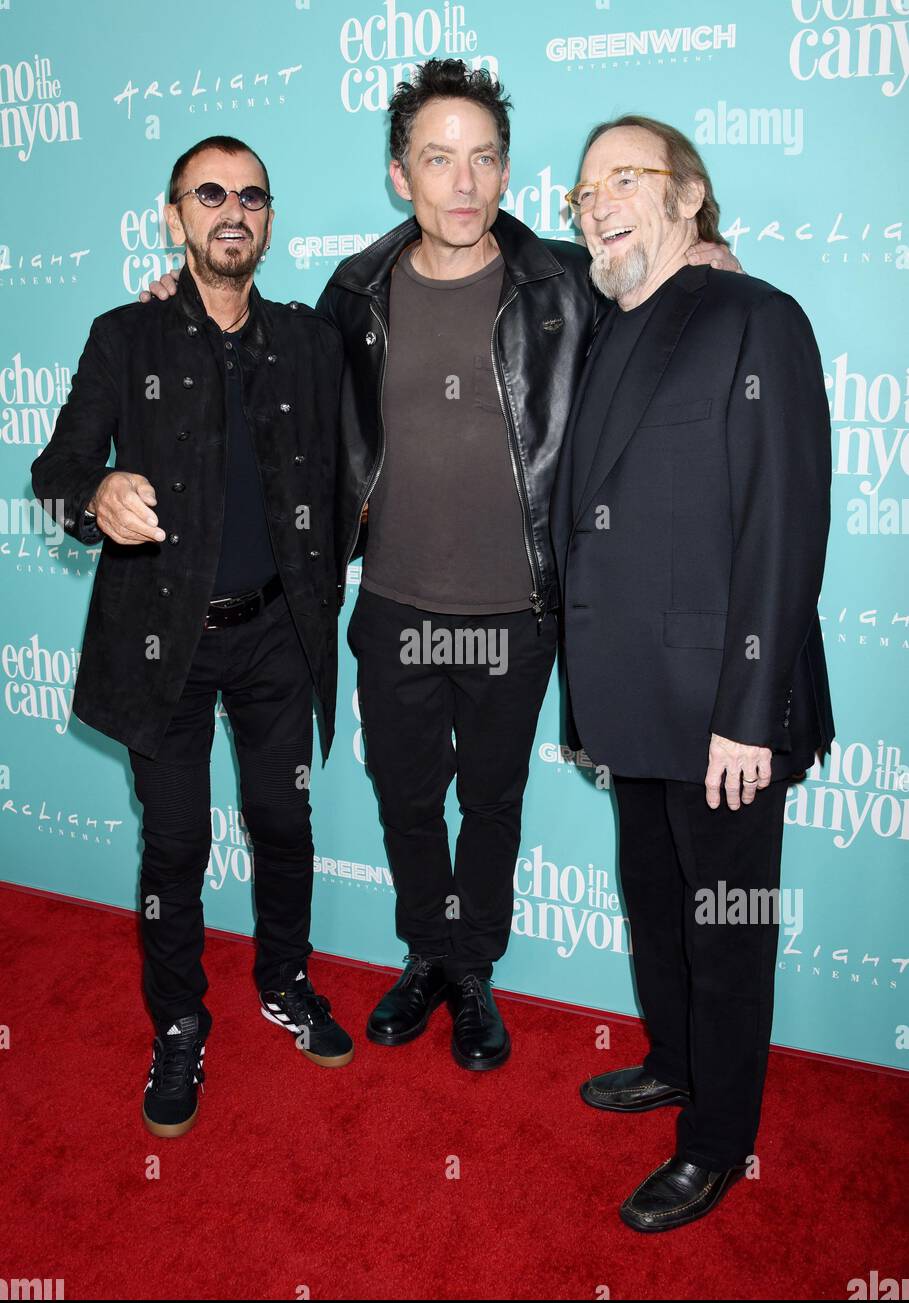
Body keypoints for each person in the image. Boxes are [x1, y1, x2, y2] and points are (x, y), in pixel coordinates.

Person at [141, 64, 739, 1074]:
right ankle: (428, 951)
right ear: (398, 173)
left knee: (493, 806)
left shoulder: (567, 284)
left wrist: (706, 259)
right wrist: (175, 300)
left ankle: (473, 971)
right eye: (438, 158)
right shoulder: (352, 296)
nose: (464, 183)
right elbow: (255, 348)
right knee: (410, 802)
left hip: (520, 613)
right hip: (396, 609)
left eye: (485, 158)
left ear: (505, 170)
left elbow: (658, 289)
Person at [31, 135, 350, 1140]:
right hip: (160, 641)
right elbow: (58, 466)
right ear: (173, 217)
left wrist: (696, 246)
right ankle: (177, 1021)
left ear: (269, 219)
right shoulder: (123, 337)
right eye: (209, 193)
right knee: (174, 845)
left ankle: (285, 980)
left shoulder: (305, 341)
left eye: (253, 194)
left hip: (274, 637)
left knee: (284, 824)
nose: (233, 209)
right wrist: (96, 493)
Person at [550, 115, 834, 1231]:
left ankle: (718, 1141)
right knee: (657, 906)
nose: (600, 201)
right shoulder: (608, 320)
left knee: (728, 925)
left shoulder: (757, 316)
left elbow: (783, 531)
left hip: (726, 716)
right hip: (630, 704)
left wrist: (748, 718)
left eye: (627, 177)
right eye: (584, 191)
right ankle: (674, 1062)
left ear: (690, 196)